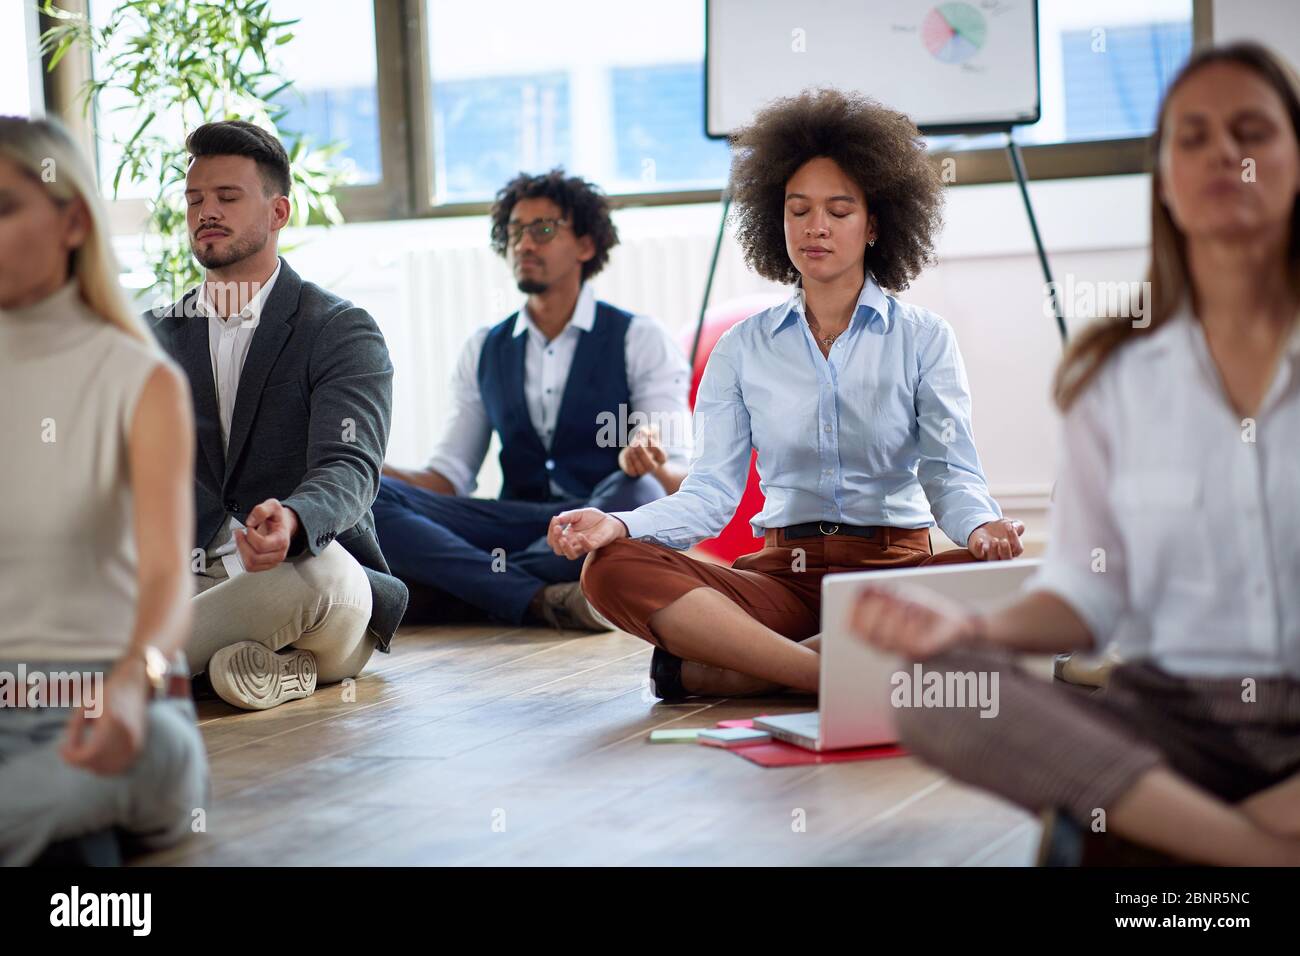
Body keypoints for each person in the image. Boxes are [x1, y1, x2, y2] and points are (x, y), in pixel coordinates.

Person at [851, 43, 1300, 867]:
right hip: (1169, 722)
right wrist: (972, 626)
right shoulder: (1112, 377)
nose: (1224, 155)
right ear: (1164, 178)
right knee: (938, 689)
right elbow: (1087, 593)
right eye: (1192, 137)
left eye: (1252, 131)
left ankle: (1160, 835)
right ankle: (1253, 852)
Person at [548, 89, 1022, 700]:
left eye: (839, 210)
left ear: (875, 223)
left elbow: (948, 472)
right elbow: (712, 494)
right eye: (798, 210)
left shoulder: (925, 338)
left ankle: (723, 671)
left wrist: (981, 528)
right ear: (778, 220)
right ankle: (827, 674)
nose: (815, 227)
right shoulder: (741, 349)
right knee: (612, 567)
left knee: (1020, 580)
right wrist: (617, 523)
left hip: (896, 575)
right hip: (781, 584)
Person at [0, 116, 208, 865]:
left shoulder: (139, 379)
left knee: (147, 748)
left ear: (73, 221)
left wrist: (129, 683)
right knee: (72, 855)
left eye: (2, 207)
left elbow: (165, 578)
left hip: (114, 708)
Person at [152, 121, 407, 712]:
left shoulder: (339, 330)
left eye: (227, 197)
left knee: (325, 575)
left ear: (279, 212)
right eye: (194, 200)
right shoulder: (153, 337)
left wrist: (294, 519)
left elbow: (351, 466)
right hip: (186, 582)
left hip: (303, 585)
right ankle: (263, 671)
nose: (205, 212)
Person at [375, 169, 690, 631]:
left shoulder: (638, 338)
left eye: (543, 230)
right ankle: (538, 595)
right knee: (369, 498)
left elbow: (674, 487)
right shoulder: (485, 346)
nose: (523, 244)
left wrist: (648, 461)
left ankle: (462, 588)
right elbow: (448, 480)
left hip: (598, 515)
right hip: (513, 523)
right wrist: (364, 464)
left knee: (639, 496)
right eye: (514, 232)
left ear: (585, 245)